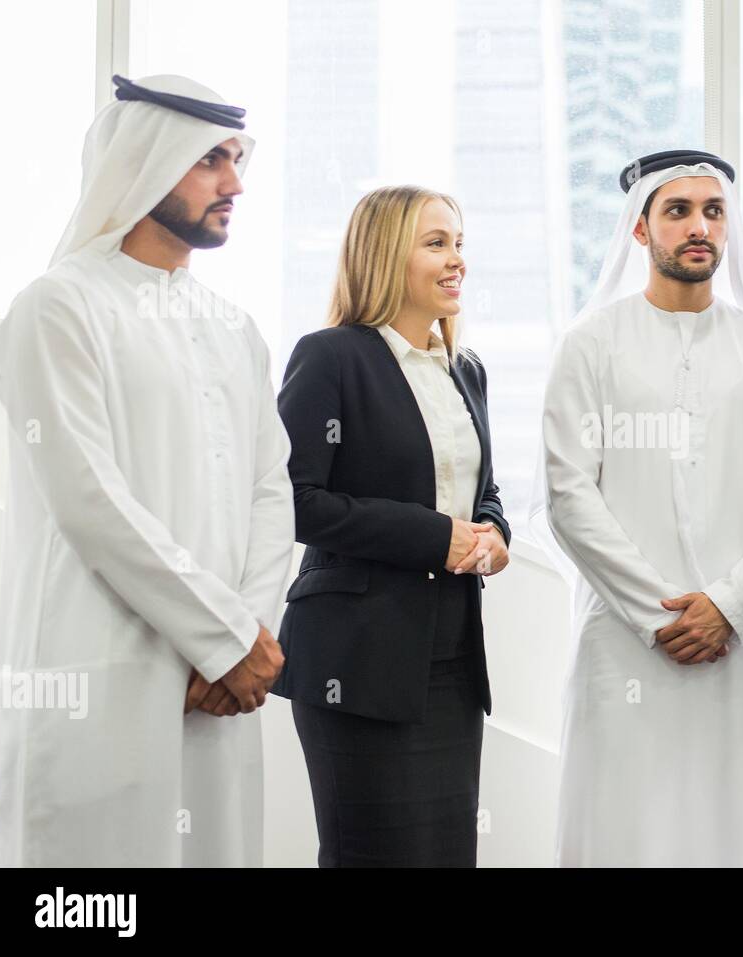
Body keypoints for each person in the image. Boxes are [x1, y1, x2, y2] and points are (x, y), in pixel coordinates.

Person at [0, 74, 292, 866]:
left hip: (222, 688)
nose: (235, 183)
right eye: (210, 161)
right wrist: (225, 640)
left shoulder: (235, 328)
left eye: (236, 159)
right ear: (143, 163)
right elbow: (90, 501)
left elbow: (271, 490)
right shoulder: (56, 307)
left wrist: (248, 638)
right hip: (105, 675)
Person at [535, 149, 743, 867]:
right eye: (679, 210)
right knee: (625, 831)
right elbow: (569, 496)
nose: (700, 226)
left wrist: (727, 607)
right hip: (625, 640)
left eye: (714, 211)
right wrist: (662, 615)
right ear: (640, 230)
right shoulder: (589, 345)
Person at [273, 185, 510, 867]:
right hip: (358, 661)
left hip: (452, 664)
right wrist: (436, 536)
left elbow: (482, 490)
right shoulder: (330, 356)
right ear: (383, 257)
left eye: (459, 243)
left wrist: (494, 536)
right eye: (436, 243)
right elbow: (294, 499)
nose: (456, 259)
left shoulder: (466, 370)